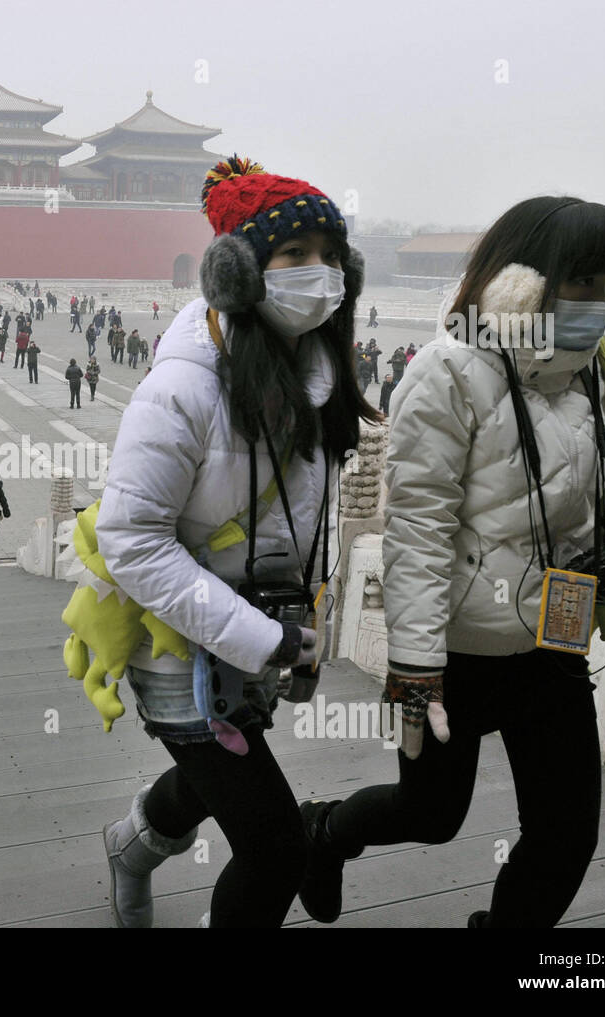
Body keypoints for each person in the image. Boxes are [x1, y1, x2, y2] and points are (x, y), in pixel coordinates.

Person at [300, 196, 605, 930]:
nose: (603, 304)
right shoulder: (446, 374)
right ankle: (324, 831)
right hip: (454, 653)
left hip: (552, 641)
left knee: (568, 833)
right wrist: (414, 664)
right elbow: (418, 528)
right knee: (432, 813)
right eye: (586, 283)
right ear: (520, 282)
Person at [92, 157, 377, 928]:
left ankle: (135, 842)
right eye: (294, 255)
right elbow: (133, 538)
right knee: (276, 846)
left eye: (329, 254)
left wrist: (283, 634)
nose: (317, 273)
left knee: (220, 769)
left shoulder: (317, 375)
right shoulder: (182, 388)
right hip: (178, 648)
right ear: (240, 273)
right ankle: (139, 845)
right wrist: (263, 637)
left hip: (253, 644)